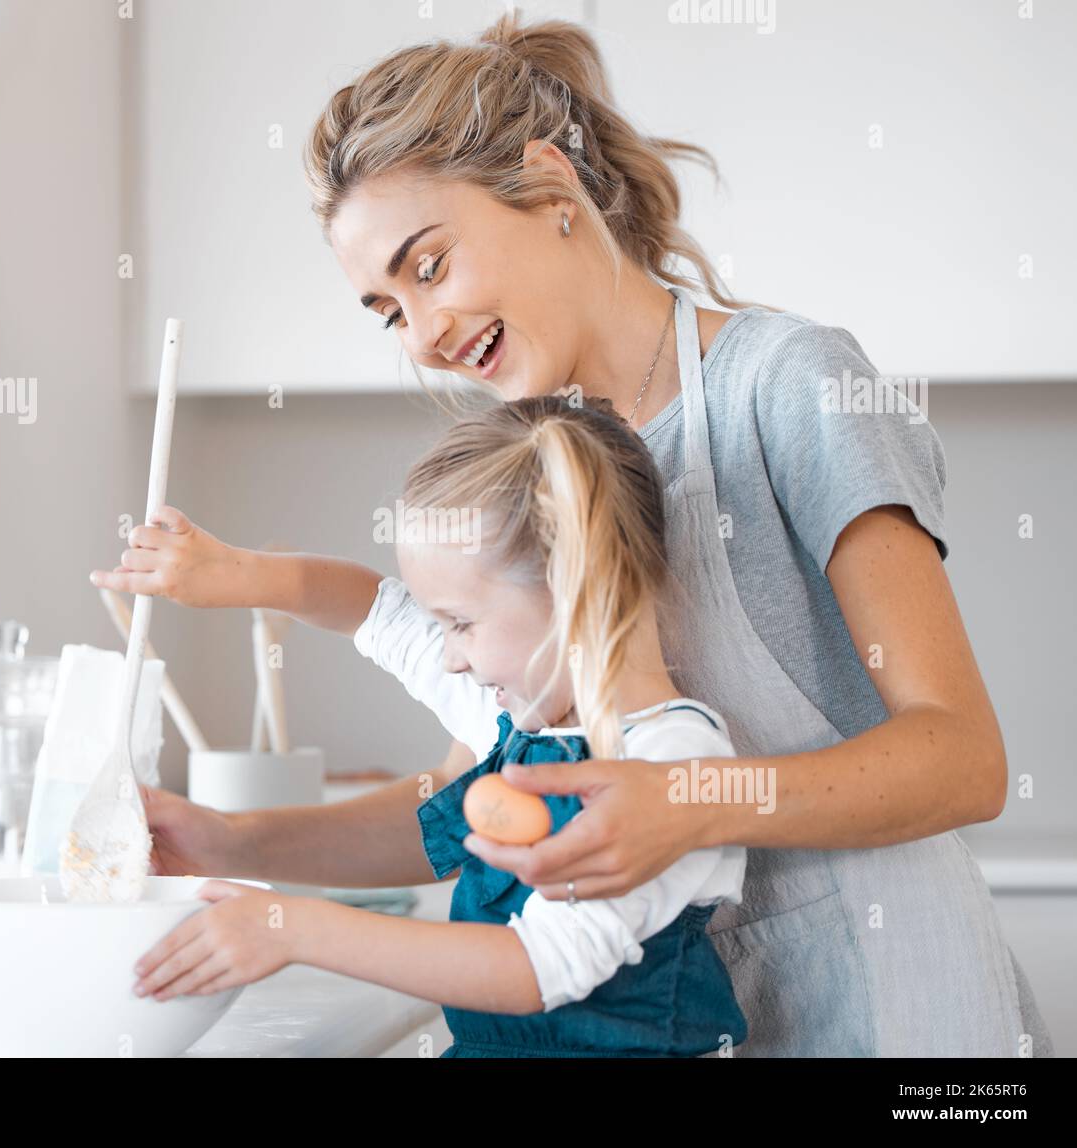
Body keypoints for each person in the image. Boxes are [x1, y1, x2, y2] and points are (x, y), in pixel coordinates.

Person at [96, 10, 1052, 1055]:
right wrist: (228, 839)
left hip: (897, 1007)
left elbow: (961, 758)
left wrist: (689, 799)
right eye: (384, 309)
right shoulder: (537, 458)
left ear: (548, 186)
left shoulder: (788, 385)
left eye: (428, 267)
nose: (420, 334)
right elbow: (484, 804)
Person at [129, 396, 751, 1058]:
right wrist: (238, 574)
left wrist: (292, 930)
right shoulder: (519, 712)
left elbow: (536, 969)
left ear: (579, 588)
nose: (450, 655)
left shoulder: (671, 757)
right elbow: (370, 610)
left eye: (461, 623)